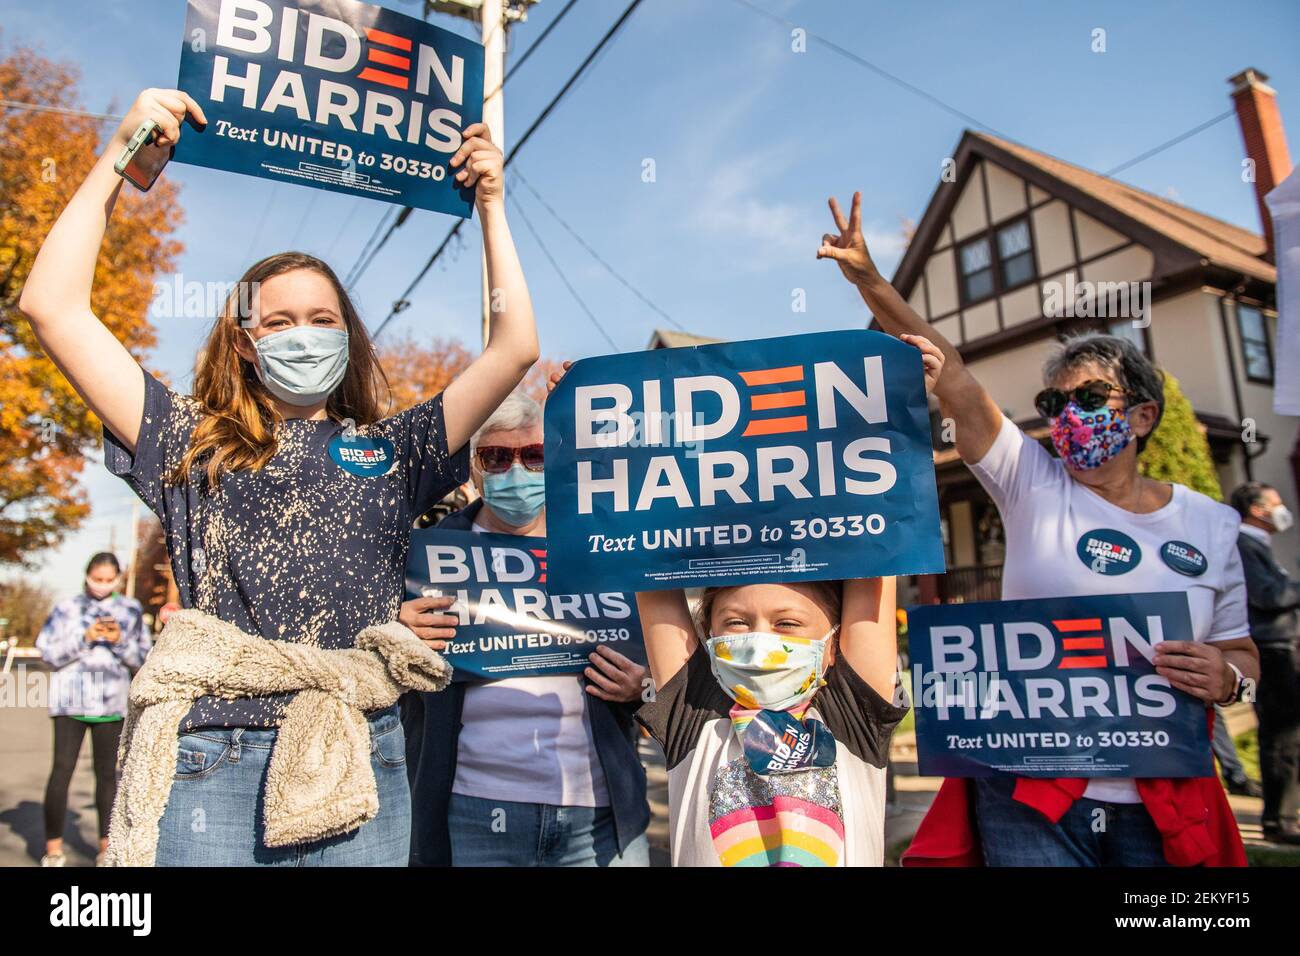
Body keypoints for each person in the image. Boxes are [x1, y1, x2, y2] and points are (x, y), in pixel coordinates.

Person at [19, 88, 539, 866]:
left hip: (363, 750)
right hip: (215, 762)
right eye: (279, 320)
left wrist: (493, 205)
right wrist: (121, 158)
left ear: (350, 339)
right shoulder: (187, 439)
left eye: (323, 319)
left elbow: (515, 346)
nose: (303, 334)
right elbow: (51, 306)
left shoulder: (395, 452)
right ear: (246, 343)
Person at [817, 192, 1259, 867]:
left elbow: (1242, 656)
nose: (1068, 417)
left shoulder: (1213, 525)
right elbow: (956, 376)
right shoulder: (1030, 481)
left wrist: (1228, 677)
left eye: (1089, 400)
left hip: (1161, 790)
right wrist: (871, 281)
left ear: (1141, 417)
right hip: (1030, 790)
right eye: (1055, 404)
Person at [631, 336, 944, 867]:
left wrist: (896, 409)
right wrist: (600, 433)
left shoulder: (852, 715)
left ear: (833, 645)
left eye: (788, 624)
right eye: (736, 621)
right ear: (707, 634)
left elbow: (877, 531)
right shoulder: (693, 712)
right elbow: (645, 552)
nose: (760, 639)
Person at [401, 390, 652, 866]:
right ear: (474, 468)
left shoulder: (608, 545)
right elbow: (370, 660)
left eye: (534, 456)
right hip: (469, 809)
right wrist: (398, 634)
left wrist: (643, 687)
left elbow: (666, 664)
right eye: (496, 457)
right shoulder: (423, 558)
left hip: (600, 813)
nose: (515, 471)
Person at [36, 553, 150, 867]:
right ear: (87, 575)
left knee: (107, 778)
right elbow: (46, 653)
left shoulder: (130, 610)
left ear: (117, 578)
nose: (102, 585)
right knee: (61, 772)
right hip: (69, 702)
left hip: (111, 705)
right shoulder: (66, 608)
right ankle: (53, 849)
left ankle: (105, 849)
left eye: (108, 579)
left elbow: (144, 659)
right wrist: (83, 638)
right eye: (96, 578)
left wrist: (120, 642)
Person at [1231, 481, 1300, 843]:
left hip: (1280, 647)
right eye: (1275, 502)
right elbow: (1267, 596)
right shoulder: (1243, 545)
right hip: (1268, 651)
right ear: (1257, 509)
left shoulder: (1258, 545)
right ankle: (1280, 821)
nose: (1281, 508)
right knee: (1281, 734)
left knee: (1288, 734)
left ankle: (1284, 816)